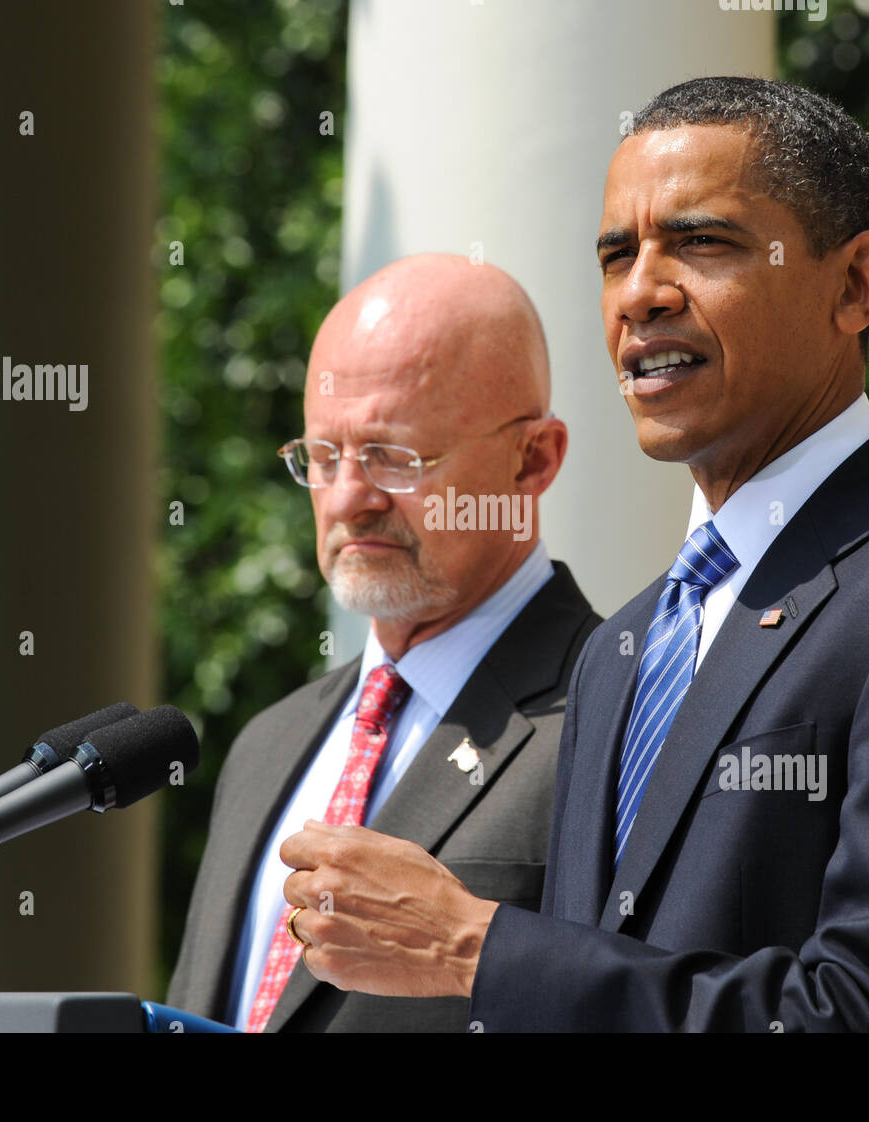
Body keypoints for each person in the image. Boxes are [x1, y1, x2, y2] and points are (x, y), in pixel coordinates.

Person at [277, 77, 869, 1031]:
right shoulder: (622, 647)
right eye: (616, 255)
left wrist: (474, 948)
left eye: (703, 242)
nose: (641, 294)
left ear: (857, 284)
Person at [167, 253, 598, 1032]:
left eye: (394, 457)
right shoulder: (269, 745)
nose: (349, 499)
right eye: (323, 457)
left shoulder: (616, 717)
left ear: (533, 459)